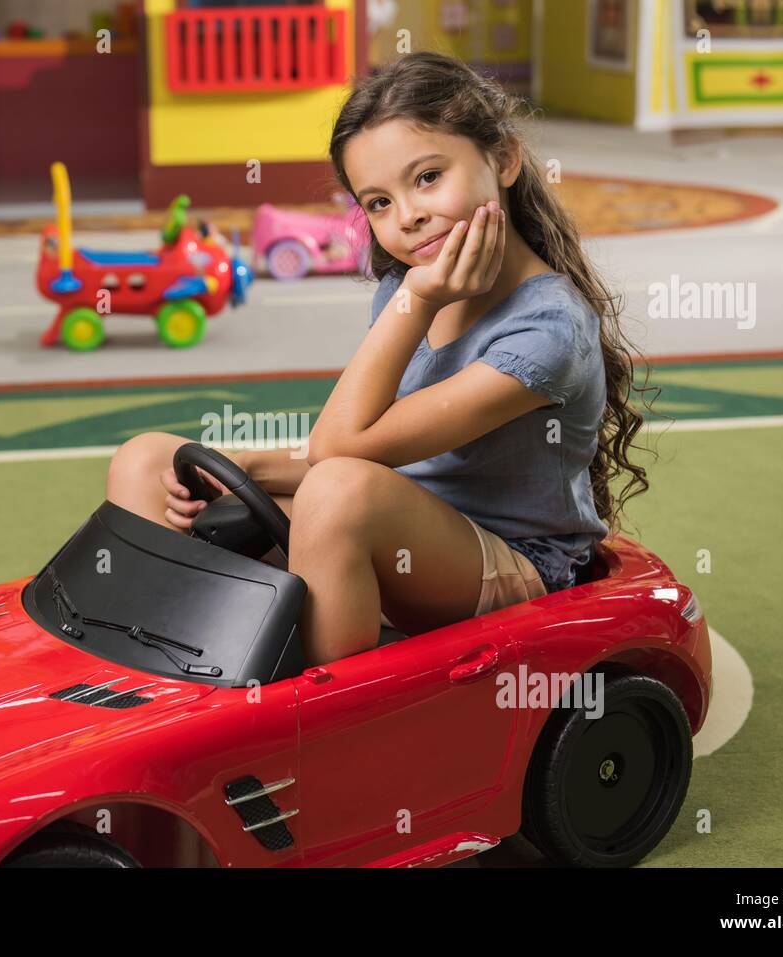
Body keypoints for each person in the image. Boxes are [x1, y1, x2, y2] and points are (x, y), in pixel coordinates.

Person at [107, 51, 653, 667]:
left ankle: (318, 714)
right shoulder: (407, 287)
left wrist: (418, 301)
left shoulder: (546, 328)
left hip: (506, 565)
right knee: (148, 459)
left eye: (427, 178)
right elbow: (357, 446)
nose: (409, 217)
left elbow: (340, 453)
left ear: (503, 158)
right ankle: (162, 658)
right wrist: (231, 468)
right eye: (378, 203)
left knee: (340, 490)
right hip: (387, 517)